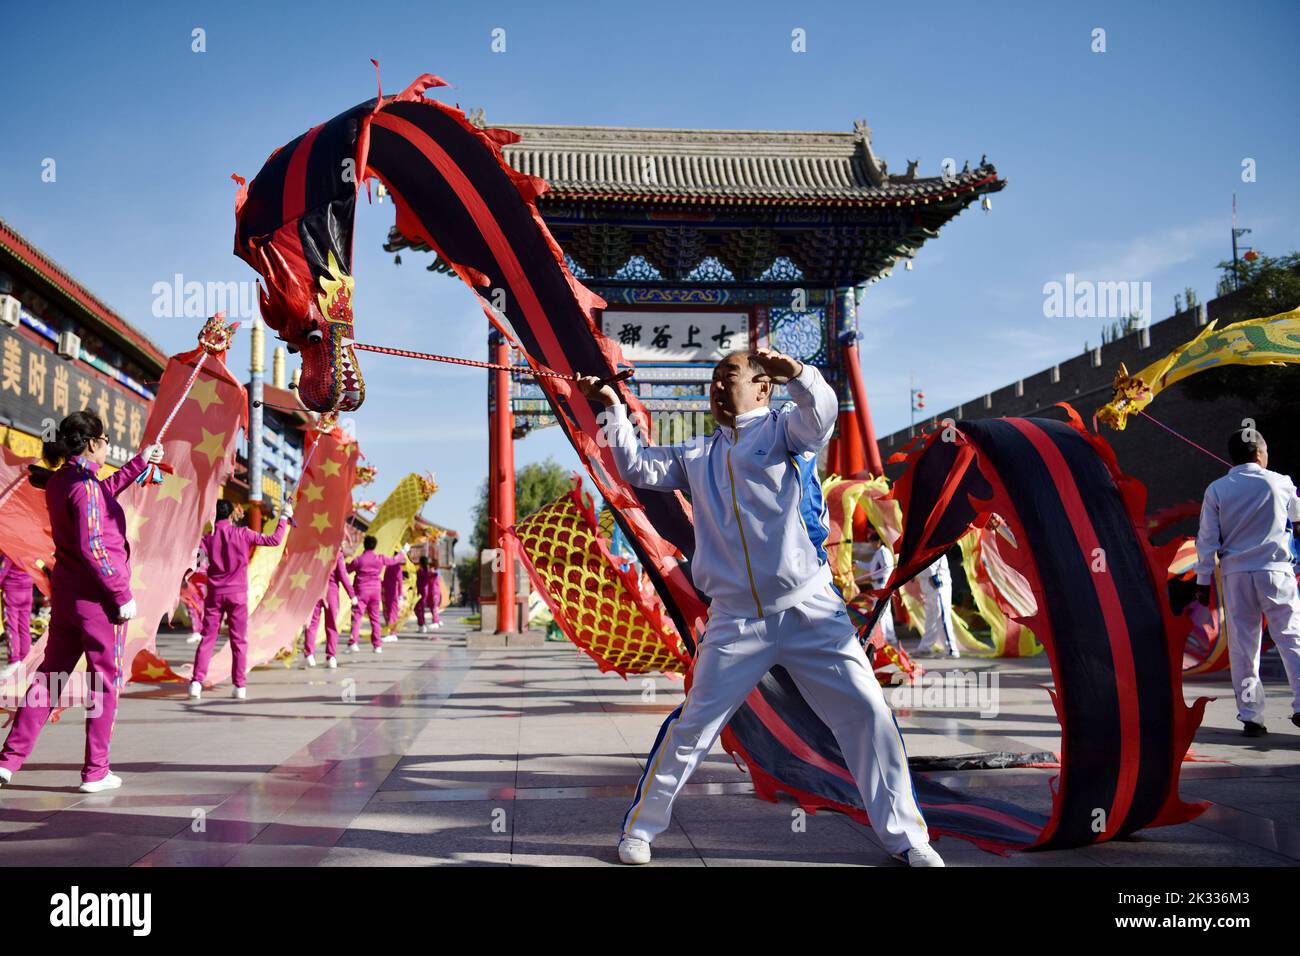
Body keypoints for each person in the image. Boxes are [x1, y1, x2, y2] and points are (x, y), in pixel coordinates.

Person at [578, 348, 941, 867]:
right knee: (694, 726)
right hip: (735, 618)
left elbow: (823, 413)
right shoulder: (698, 454)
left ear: (763, 387)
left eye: (728, 376)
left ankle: (907, 837)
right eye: (713, 379)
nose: (718, 387)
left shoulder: (787, 433)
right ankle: (641, 830)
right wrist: (612, 406)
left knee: (866, 713)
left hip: (810, 609)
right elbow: (637, 468)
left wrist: (798, 373)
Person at [0, 411, 161, 792]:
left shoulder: (64, 480)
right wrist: (121, 594)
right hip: (99, 602)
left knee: (48, 678)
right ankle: (96, 770)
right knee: (104, 684)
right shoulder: (85, 488)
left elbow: (103, 493)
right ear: (92, 444)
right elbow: (94, 547)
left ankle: (8, 761)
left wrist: (140, 463)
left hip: (68, 599)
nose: (107, 447)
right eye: (104, 441)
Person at [1194, 427, 1300, 737]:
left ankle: (1252, 717)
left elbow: (1207, 540)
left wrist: (1202, 581)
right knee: (1291, 639)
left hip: (1236, 575)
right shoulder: (1281, 483)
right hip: (1276, 572)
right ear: (1259, 453)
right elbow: (1298, 517)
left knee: (1243, 646)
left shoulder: (1216, 489)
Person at [188, 499, 290, 700]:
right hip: (238, 595)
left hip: (215, 594)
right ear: (230, 514)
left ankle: (196, 683)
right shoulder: (243, 533)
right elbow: (275, 540)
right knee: (239, 641)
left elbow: (198, 563)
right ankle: (239, 686)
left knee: (208, 638)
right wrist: (284, 517)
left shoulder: (207, 539)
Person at [347, 536, 408, 653]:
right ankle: (377, 645)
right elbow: (394, 560)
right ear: (375, 546)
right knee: (375, 619)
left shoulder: (358, 560)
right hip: (375, 591)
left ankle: (353, 643)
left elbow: (346, 570)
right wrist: (403, 551)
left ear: (364, 545)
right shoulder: (380, 558)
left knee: (357, 617)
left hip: (361, 591)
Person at [304, 548, 356, 668]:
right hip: (331, 592)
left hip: (314, 591)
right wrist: (352, 595)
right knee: (331, 625)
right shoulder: (337, 553)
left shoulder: (313, 551)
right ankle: (331, 657)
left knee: (312, 624)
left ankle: (309, 655)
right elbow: (343, 575)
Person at [856, 527, 897, 646]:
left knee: (880, 612)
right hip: (878, 585)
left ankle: (883, 637)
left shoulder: (883, 552)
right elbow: (871, 567)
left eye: (872, 542)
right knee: (885, 612)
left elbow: (886, 570)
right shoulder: (878, 553)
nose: (871, 545)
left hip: (882, 585)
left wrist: (871, 578)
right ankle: (890, 637)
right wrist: (857, 563)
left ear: (878, 541)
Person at [917, 552, 959, 658]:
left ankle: (951, 649)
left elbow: (929, 571)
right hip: (929, 589)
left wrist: (913, 568)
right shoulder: (923, 552)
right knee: (930, 619)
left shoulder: (935, 551)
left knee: (942, 617)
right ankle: (925, 647)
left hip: (938, 588)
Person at [0, 552, 35, 680]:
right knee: (24, 627)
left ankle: (14, 660)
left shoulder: (9, 550)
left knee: (11, 626)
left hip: (12, 591)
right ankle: (25, 659)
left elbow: (2, 570)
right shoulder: (25, 547)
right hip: (28, 589)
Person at [415, 556, 442, 632]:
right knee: (423, 608)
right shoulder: (428, 572)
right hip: (426, 592)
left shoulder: (422, 571)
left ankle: (423, 624)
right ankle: (424, 624)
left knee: (420, 609)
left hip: (423, 591)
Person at [380, 560, 405, 640]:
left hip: (393, 592)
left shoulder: (396, 566)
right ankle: (390, 631)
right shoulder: (388, 565)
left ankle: (392, 633)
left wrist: (401, 594)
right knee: (387, 611)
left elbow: (400, 581)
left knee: (392, 612)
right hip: (387, 591)